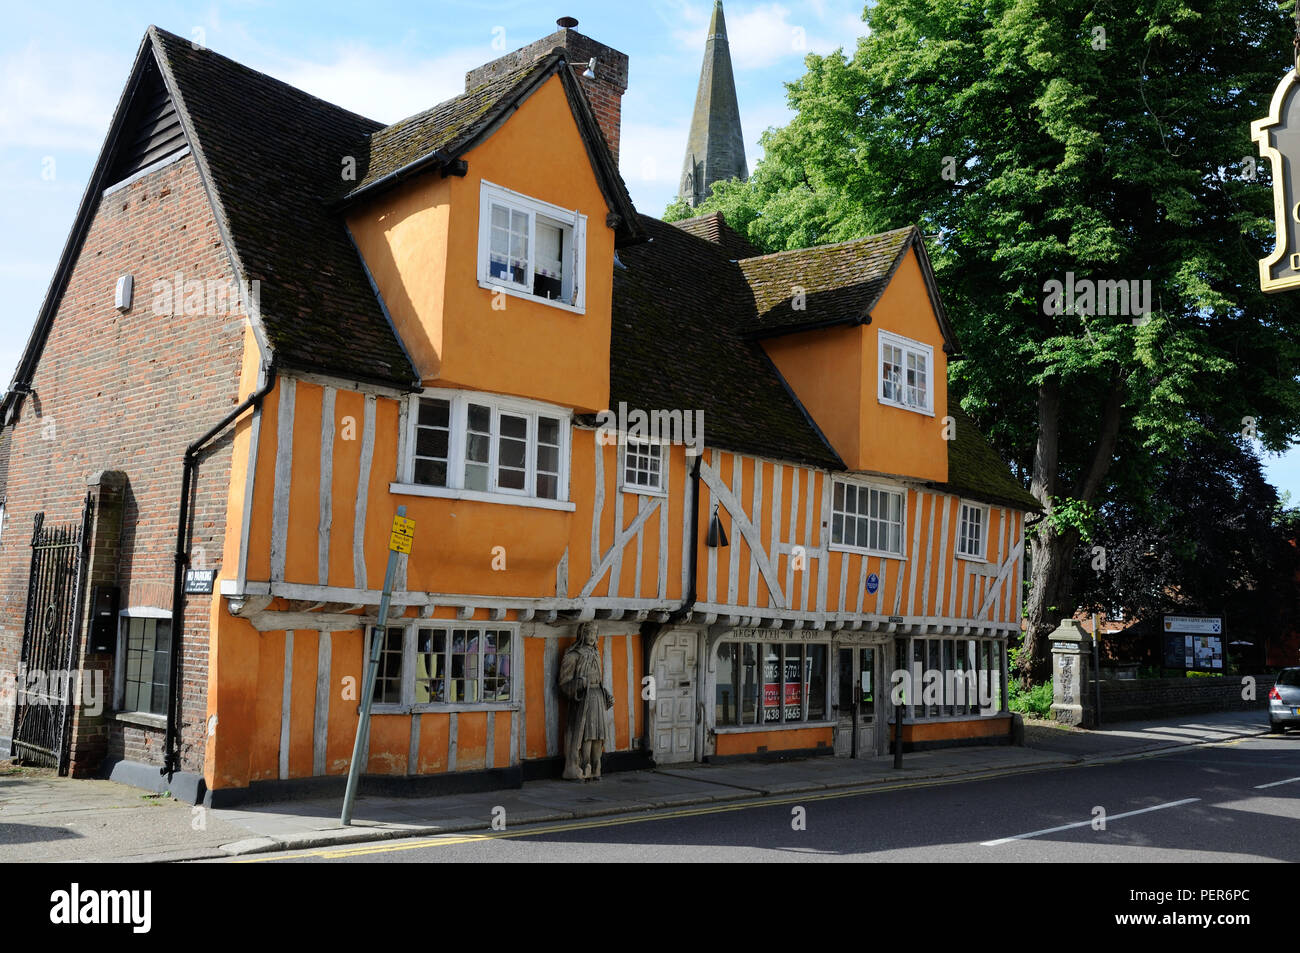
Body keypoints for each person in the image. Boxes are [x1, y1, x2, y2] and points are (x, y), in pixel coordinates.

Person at [559, 622, 613, 780]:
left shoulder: (596, 652)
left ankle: (596, 768)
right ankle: (583, 767)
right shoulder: (573, 654)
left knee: (599, 735)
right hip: (583, 699)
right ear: (582, 635)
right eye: (588, 633)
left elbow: (599, 679)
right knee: (587, 734)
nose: (592, 637)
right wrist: (579, 683)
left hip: (598, 697)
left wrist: (606, 693)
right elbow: (563, 684)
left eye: (594, 633)